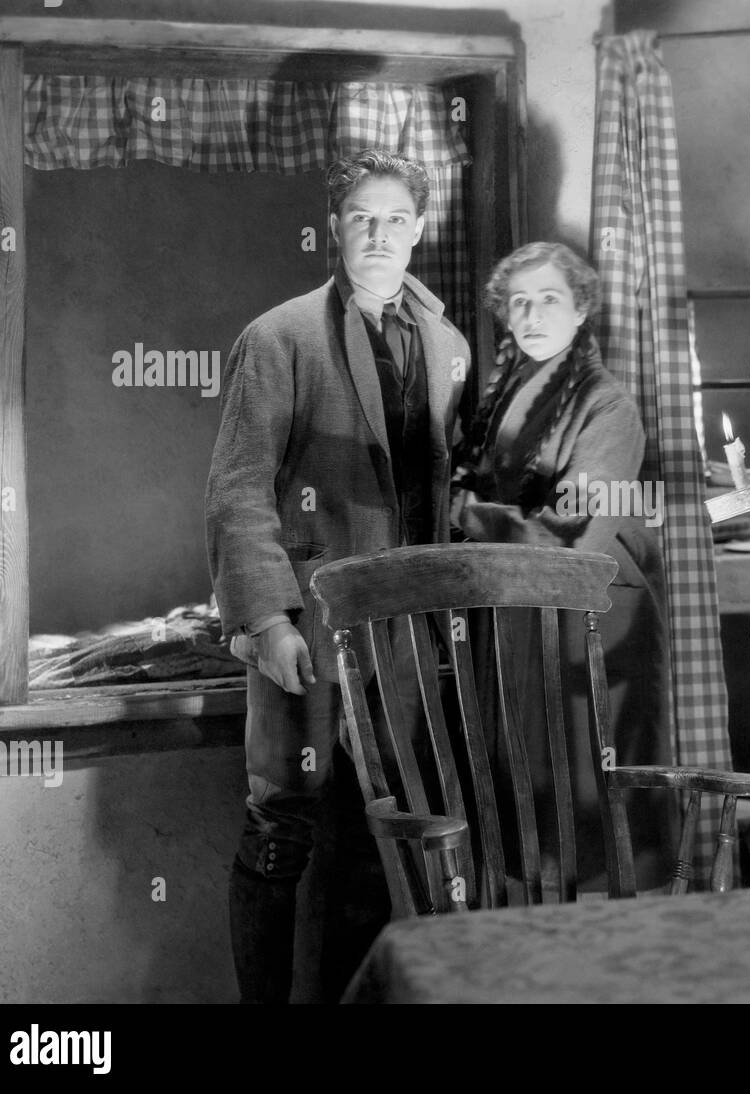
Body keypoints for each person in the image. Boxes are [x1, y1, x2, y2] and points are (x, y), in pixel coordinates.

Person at [206, 148, 472, 1001]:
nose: (380, 234)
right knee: (281, 824)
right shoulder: (281, 336)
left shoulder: (447, 343)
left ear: (420, 230)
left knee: (386, 829)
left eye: (397, 219)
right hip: (312, 625)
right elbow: (239, 489)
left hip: (412, 634)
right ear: (334, 230)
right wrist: (268, 622)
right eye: (363, 218)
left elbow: (440, 492)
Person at [452, 241, 673, 890]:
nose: (532, 313)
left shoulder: (607, 405)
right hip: (528, 619)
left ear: (581, 311)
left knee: (602, 820)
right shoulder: (505, 401)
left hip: (598, 623)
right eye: (519, 302)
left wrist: (474, 517)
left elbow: (577, 527)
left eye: (549, 298)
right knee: (538, 822)